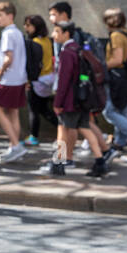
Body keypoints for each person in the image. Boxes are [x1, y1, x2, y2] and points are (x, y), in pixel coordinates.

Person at [50, 21, 110, 178]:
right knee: (85, 128)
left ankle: (59, 163)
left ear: (66, 33)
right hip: (83, 98)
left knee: (63, 129)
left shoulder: (66, 53)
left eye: (57, 31)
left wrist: (58, 102)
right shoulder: (79, 50)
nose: (53, 35)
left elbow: (64, 80)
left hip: (70, 100)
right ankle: (100, 161)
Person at [0, 1, 28, 162]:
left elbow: (8, 58)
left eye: (0, 15)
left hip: (9, 79)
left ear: (10, 16)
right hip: (19, 78)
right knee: (13, 112)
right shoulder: (18, 32)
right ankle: (14, 146)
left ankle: (16, 145)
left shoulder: (7, 33)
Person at [100, 7, 127, 151]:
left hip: (117, 77)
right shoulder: (126, 34)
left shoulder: (116, 36)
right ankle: (120, 142)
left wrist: (102, 67)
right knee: (123, 110)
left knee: (109, 111)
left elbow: (117, 59)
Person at [23, 15, 57, 146]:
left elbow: (32, 63)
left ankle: (33, 136)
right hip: (48, 78)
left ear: (35, 27)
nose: (26, 28)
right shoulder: (47, 41)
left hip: (37, 80)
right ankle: (61, 127)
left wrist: (28, 80)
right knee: (44, 109)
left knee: (34, 109)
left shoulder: (35, 42)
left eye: (28, 25)